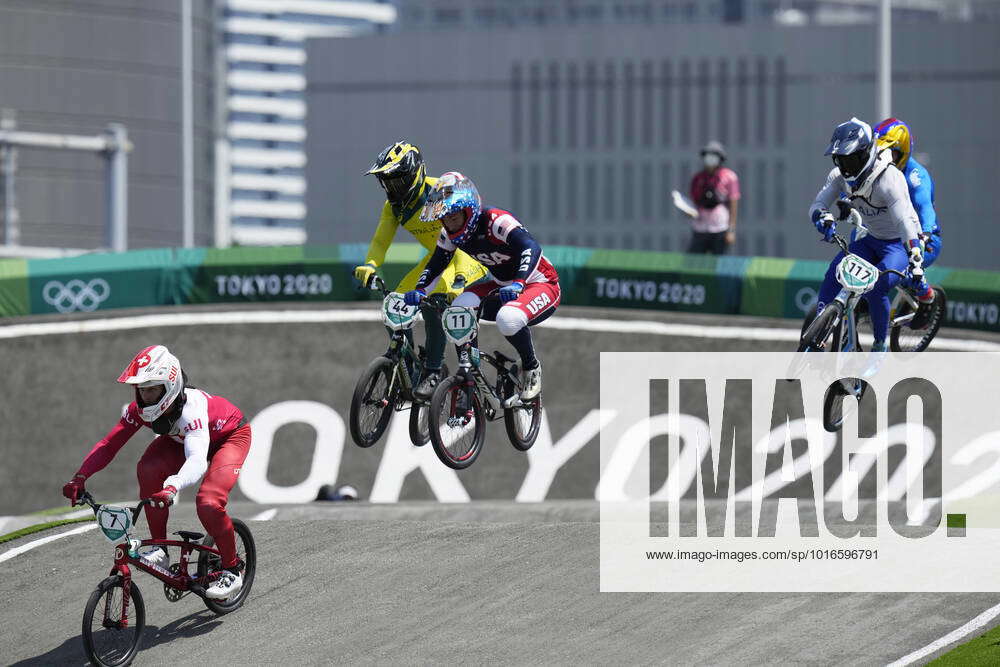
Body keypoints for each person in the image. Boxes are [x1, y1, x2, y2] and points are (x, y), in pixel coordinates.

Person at [62, 345, 252, 600]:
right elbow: (109, 445)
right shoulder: (139, 410)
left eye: (152, 389)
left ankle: (232, 568)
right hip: (182, 441)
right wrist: (80, 477)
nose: (147, 396)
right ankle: (160, 548)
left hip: (228, 438)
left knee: (208, 502)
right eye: (142, 390)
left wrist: (172, 486)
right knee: (148, 469)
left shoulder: (191, 411)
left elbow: (197, 460)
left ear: (170, 385)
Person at [403, 171, 559, 401]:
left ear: (470, 209)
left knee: (509, 319)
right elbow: (437, 264)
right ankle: (469, 374)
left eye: (455, 216)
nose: (450, 223)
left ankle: (531, 367)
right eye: (445, 218)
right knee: (458, 309)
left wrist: (518, 283)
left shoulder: (497, 221)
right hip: (502, 285)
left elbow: (530, 248)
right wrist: (420, 290)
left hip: (539, 283)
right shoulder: (449, 234)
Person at [353, 141, 486, 400]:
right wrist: (370, 265)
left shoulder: (441, 191)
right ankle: (409, 365)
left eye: (398, 182)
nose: (393, 189)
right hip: (437, 257)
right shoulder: (393, 207)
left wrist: (457, 280)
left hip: (466, 255)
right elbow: (381, 241)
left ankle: (433, 370)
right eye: (387, 183)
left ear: (416, 175)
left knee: (432, 303)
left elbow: (462, 236)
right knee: (394, 305)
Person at [809, 117, 933, 352]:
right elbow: (818, 204)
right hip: (872, 240)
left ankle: (879, 344)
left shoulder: (890, 179)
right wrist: (822, 217)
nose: (846, 167)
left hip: (898, 245)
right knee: (833, 272)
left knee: (876, 288)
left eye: (852, 159)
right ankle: (820, 327)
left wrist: (915, 257)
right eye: (841, 160)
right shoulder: (839, 176)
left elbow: (904, 221)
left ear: (866, 154)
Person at [686, 140, 741, 254]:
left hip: (720, 226)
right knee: (693, 262)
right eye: (708, 155)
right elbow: (693, 202)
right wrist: (689, 211)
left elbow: (733, 204)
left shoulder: (729, 177)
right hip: (700, 226)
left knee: (718, 263)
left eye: (714, 155)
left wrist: (731, 230)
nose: (710, 158)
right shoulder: (698, 178)